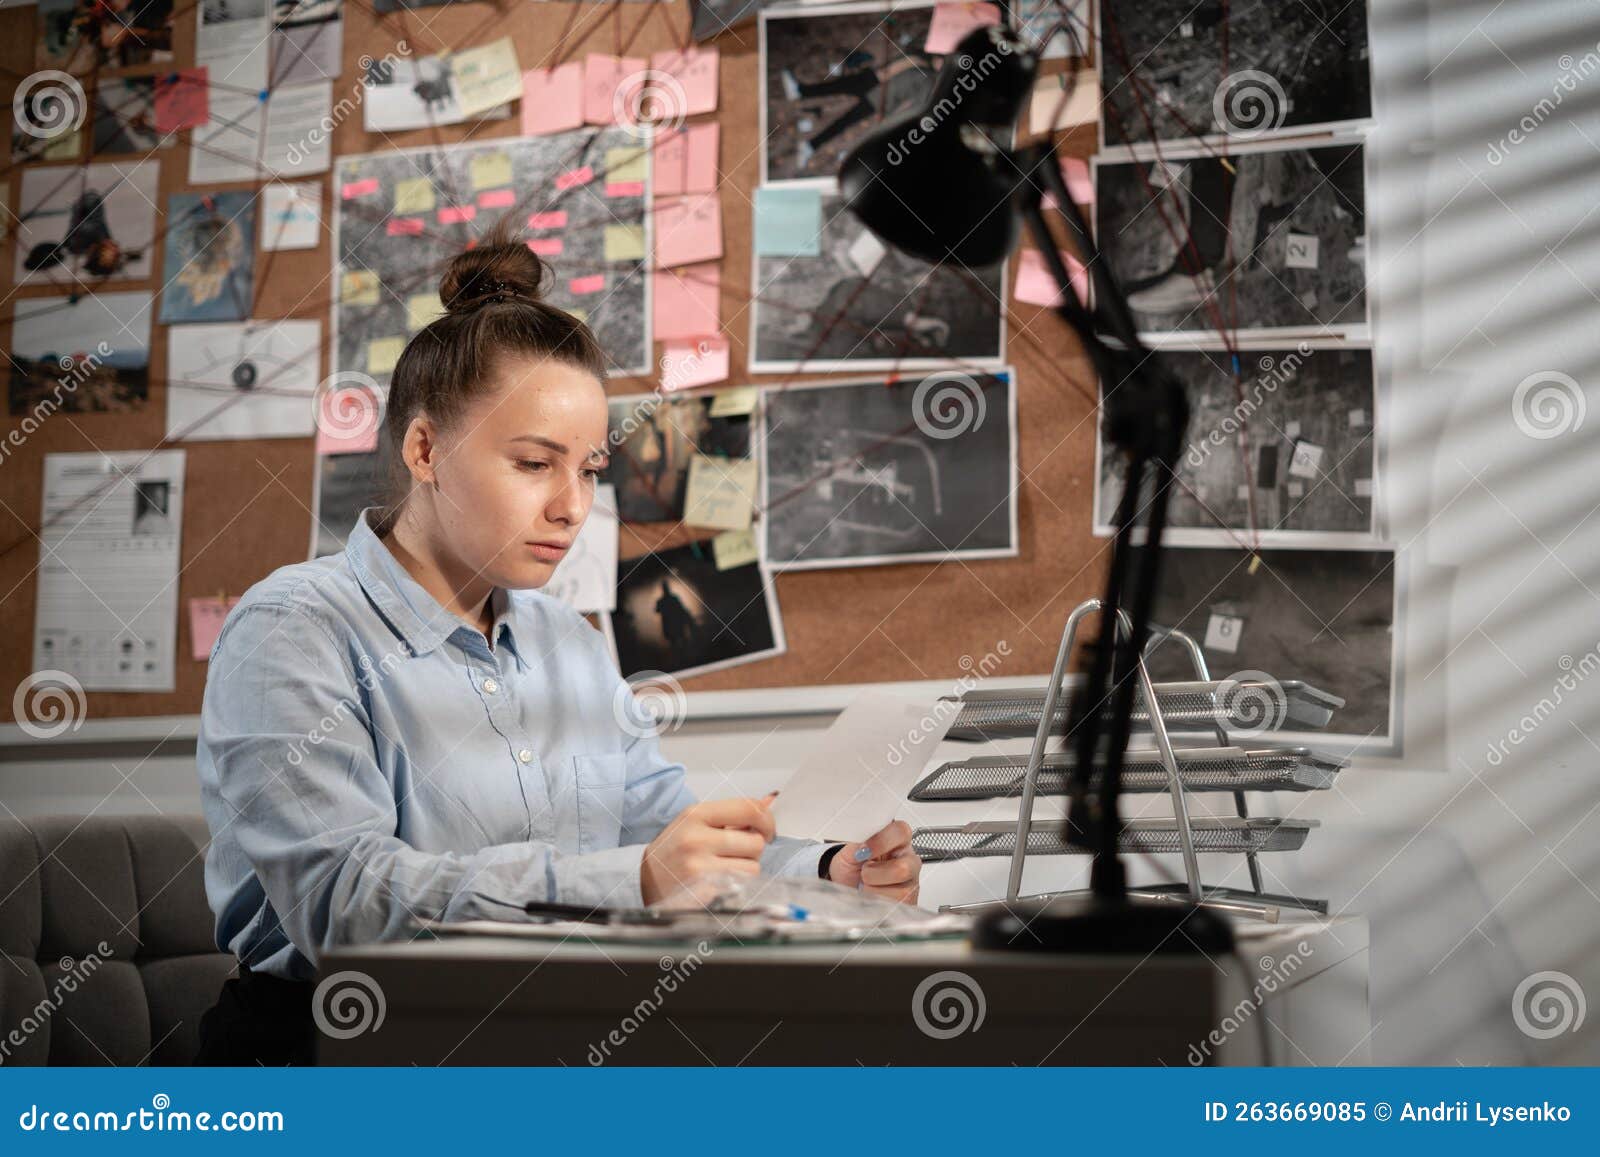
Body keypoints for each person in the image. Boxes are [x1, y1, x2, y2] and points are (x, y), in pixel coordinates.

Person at [192, 219, 922, 1065]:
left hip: (538, 1042)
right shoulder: (295, 628)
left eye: (588, 470)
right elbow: (343, 907)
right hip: (339, 1051)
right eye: (536, 463)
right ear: (425, 447)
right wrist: (638, 881)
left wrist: (830, 871)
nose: (573, 506)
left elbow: (657, 826)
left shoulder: (560, 638)